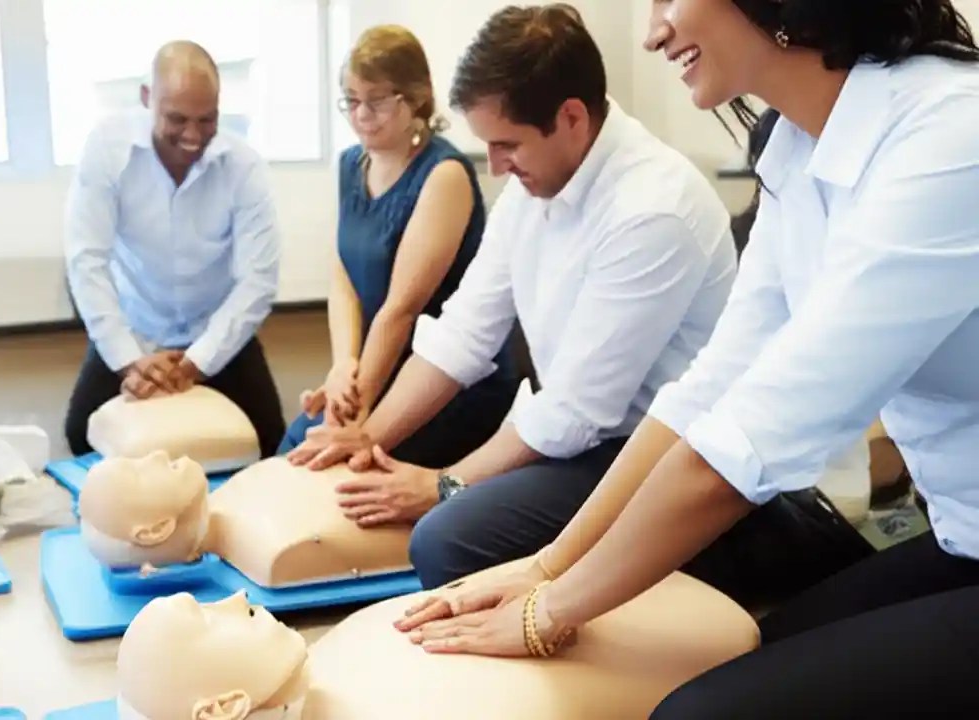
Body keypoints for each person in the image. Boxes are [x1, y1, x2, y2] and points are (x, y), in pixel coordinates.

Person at [395, 1, 979, 717]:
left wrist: (547, 611)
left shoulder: (948, 138)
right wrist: (546, 568)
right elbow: (706, 389)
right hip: (961, 537)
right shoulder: (797, 150)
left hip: (850, 507)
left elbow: (746, 443)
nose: (653, 31)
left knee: (698, 712)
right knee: (752, 657)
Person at [288, 6, 744, 590]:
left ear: (571, 117)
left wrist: (443, 483)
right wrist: (366, 437)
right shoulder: (535, 188)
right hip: (586, 441)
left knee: (445, 537)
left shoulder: (653, 207)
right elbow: (462, 336)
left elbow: (577, 410)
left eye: (507, 145)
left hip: (660, 457)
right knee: (322, 450)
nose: (497, 167)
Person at [277, 25, 519, 469]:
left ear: (418, 97)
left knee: (328, 463)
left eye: (377, 100)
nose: (362, 114)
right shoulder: (351, 164)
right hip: (376, 367)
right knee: (293, 446)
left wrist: (356, 405)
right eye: (351, 100)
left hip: (442, 383)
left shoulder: (443, 174)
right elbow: (344, 277)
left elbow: (400, 309)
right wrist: (343, 369)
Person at [63, 40, 286, 460]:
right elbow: (87, 261)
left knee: (271, 441)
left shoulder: (245, 166)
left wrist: (197, 362)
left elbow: (257, 281)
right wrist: (129, 360)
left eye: (207, 119)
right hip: (137, 325)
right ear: (148, 99)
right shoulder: (106, 149)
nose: (193, 135)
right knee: (80, 433)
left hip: (216, 331)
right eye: (177, 119)